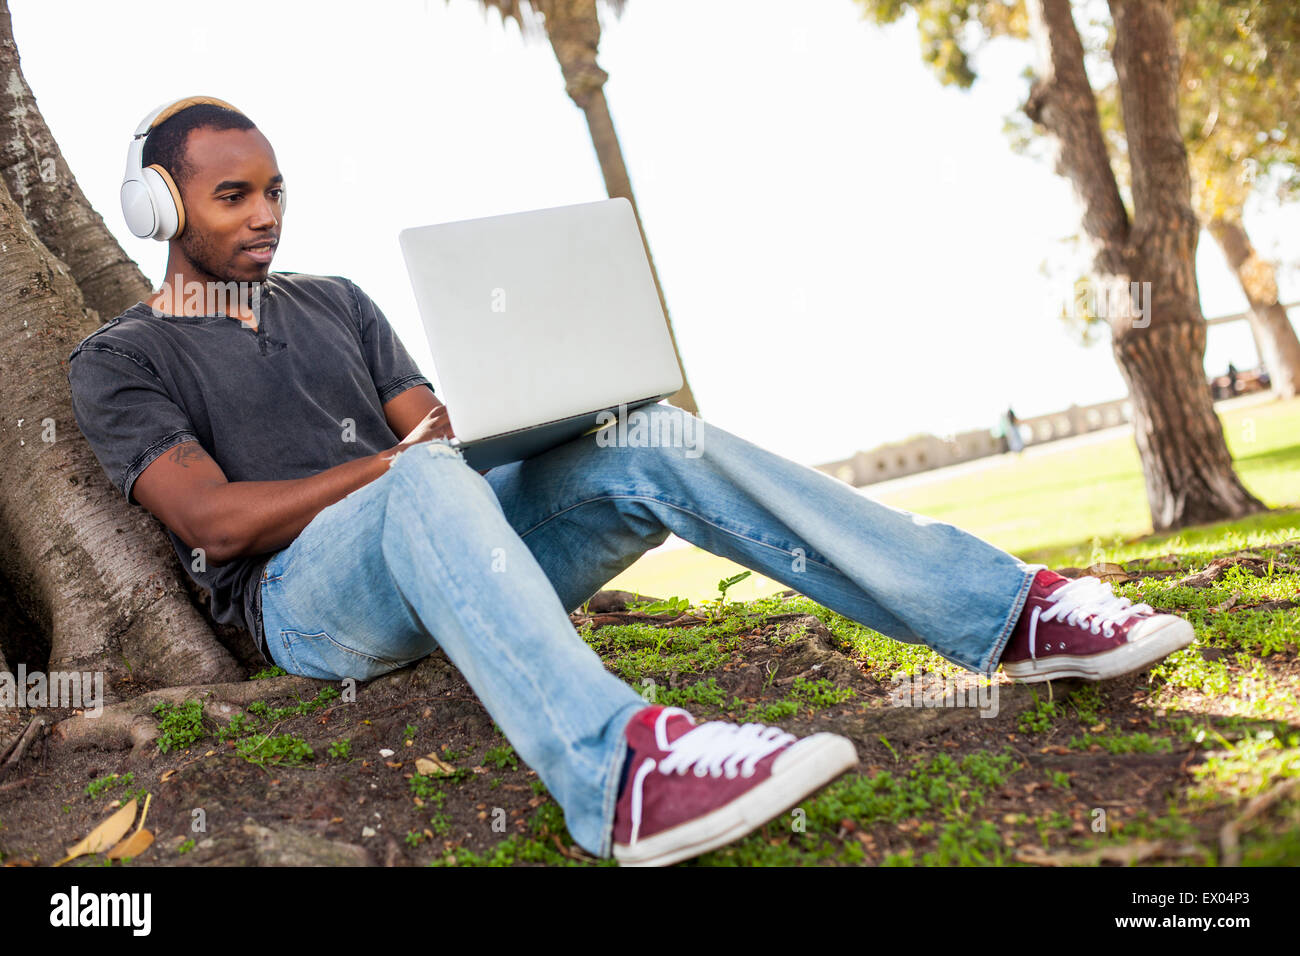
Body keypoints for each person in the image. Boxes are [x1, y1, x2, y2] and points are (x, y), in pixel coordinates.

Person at [67, 98, 1195, 867]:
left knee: (641, 433)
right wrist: (394, 468)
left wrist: (528, 405)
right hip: (308, 608)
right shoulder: (123, 356)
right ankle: (621, 774)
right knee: (413, 490)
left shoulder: (338, 300)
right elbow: (210, 519)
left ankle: (1004, 612)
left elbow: (442, 436)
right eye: (231, 197)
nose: (263, 213)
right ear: (162, 207)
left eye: (273, 189)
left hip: (453, 543)